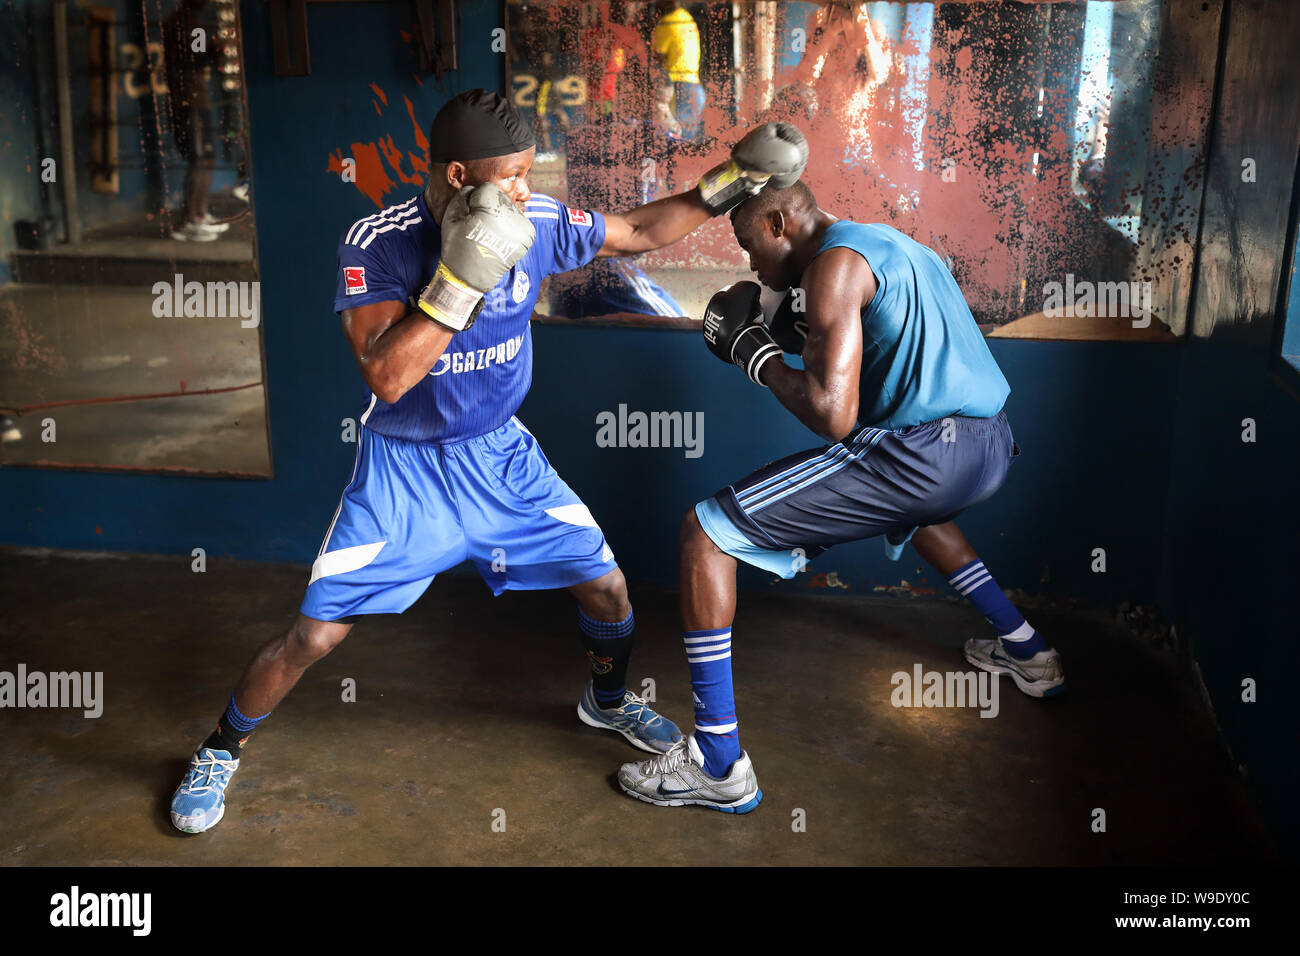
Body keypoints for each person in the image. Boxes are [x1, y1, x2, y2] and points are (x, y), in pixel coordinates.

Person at [169, 90, 808, 833]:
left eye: (527, 173)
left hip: (500, 456)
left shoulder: (532, 221)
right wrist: (459, 281)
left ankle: (605, 701)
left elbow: (636, 229)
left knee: (607, 590)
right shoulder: (377, 241)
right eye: (507, 177)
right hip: (403, 471)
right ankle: (221, 747)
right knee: (313, 636)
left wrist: (734, 174)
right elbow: (386, 375)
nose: (523, 191)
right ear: (455, 173)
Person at [617, 177, 1065, 813]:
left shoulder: (831, 268)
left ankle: (718, 763)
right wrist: (786, 328)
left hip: (924, 454)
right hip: (988, 446)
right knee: (918, 514)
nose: (749, 262)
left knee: (704, 531)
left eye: (748, 244)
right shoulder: (887, 244)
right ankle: (1028, 651)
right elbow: (868, 346)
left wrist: (755, 354)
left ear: (778, 224)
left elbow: (833, 413)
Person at [162, 0, 228, 241]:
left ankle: (198, 213)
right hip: (189, 101)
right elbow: (193, 59)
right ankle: (192, 219)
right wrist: (215, 50)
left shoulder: (186, 21)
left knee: (205, 157)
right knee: (200, 158)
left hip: (194, 100)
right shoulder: (185, 23)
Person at [652, 2, 705, 139]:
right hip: (694, 87)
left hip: (678, 88)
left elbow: (657, 56)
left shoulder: (667, 22)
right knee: (689, 146)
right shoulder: (687, 18)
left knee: (677, 144)